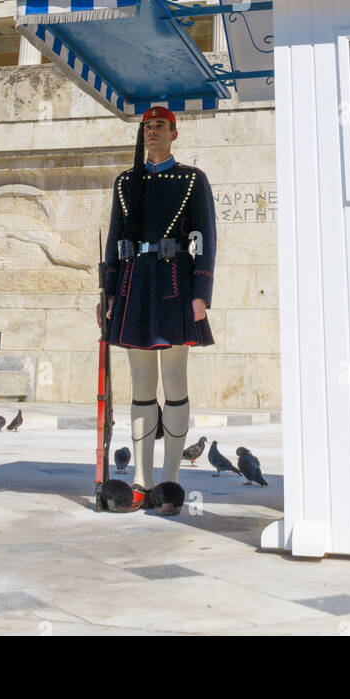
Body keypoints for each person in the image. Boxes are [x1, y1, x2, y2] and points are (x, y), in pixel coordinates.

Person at [96, 106, 217, 510]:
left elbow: (203, 235)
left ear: (174, 134)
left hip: (173, 283)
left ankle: (170, 481)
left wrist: (201, 292)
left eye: (160, 127)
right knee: (141, 387)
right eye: (147, 127)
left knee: (175, 383)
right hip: (134, 285)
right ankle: (142, 482)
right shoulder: (125, 183)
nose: (152, 132)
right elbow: (116, 239)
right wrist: (109, 294)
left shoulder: (191, 180)